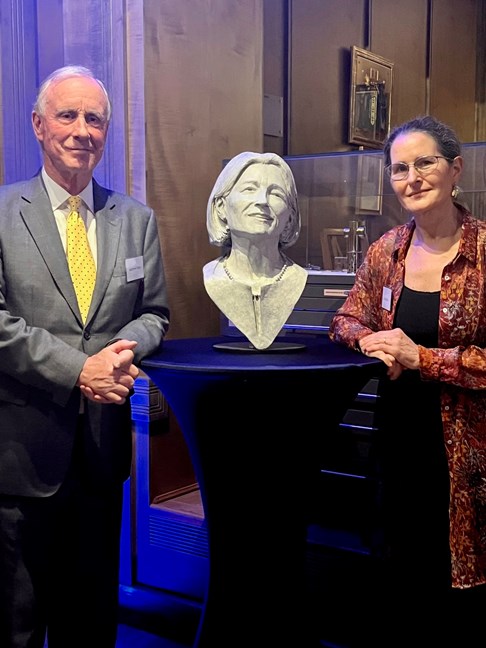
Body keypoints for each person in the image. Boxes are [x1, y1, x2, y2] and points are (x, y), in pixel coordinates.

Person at [0, 65, 170, 648]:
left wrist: (122, 353)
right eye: (67, 116)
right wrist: (81, 371)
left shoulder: (137, 220)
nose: (81, 131)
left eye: (93, 119)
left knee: (92, 624)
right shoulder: (1, 213)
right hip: (22, 460)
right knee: (17, 625)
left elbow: (156, 314)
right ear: (38, 126)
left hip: (101, 457)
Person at [329, 115, 486, 645]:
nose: (412, 178)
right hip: (399, 442)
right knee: (403, 578)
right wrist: (374, 342)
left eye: (425, 163)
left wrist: (422, 358)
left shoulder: (485, 253)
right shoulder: (387, 249)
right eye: (399, 168)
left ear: (455, 169)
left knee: (461, 589)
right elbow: (345, 318)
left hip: (468, 458)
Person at [203, 151, 307, 349]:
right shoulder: (212, 277)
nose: (262, 201)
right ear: (221, 207)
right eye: (249, 189)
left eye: (276, 193)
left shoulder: (298, 278)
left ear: (290, 217)